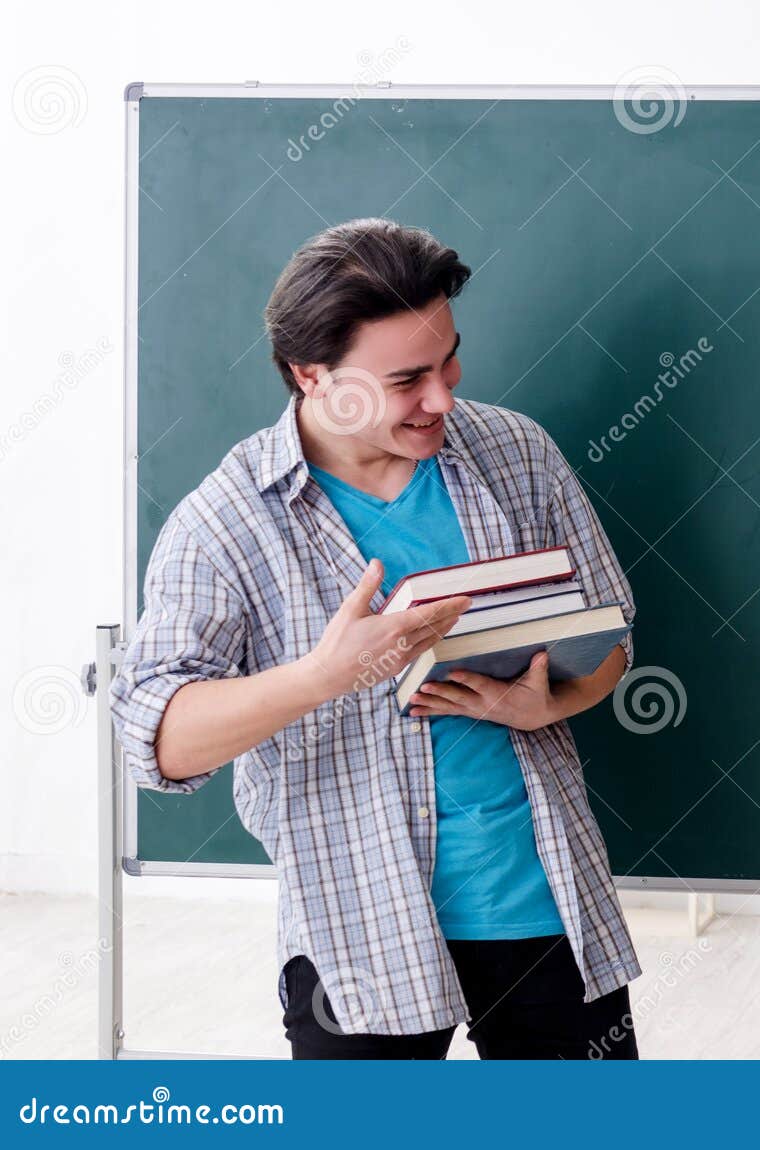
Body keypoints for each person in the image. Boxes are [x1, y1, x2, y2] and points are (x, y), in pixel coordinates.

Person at [110, 218, 641, 1059]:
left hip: (542, 903)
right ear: (310, 376)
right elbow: (155, 739)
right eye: (406, 380)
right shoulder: (226, 520)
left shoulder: (518, 456)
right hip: (357, 931)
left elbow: (611, 636)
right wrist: (320, 676)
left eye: (448, 360)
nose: (442, 398)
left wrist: (552, 702)